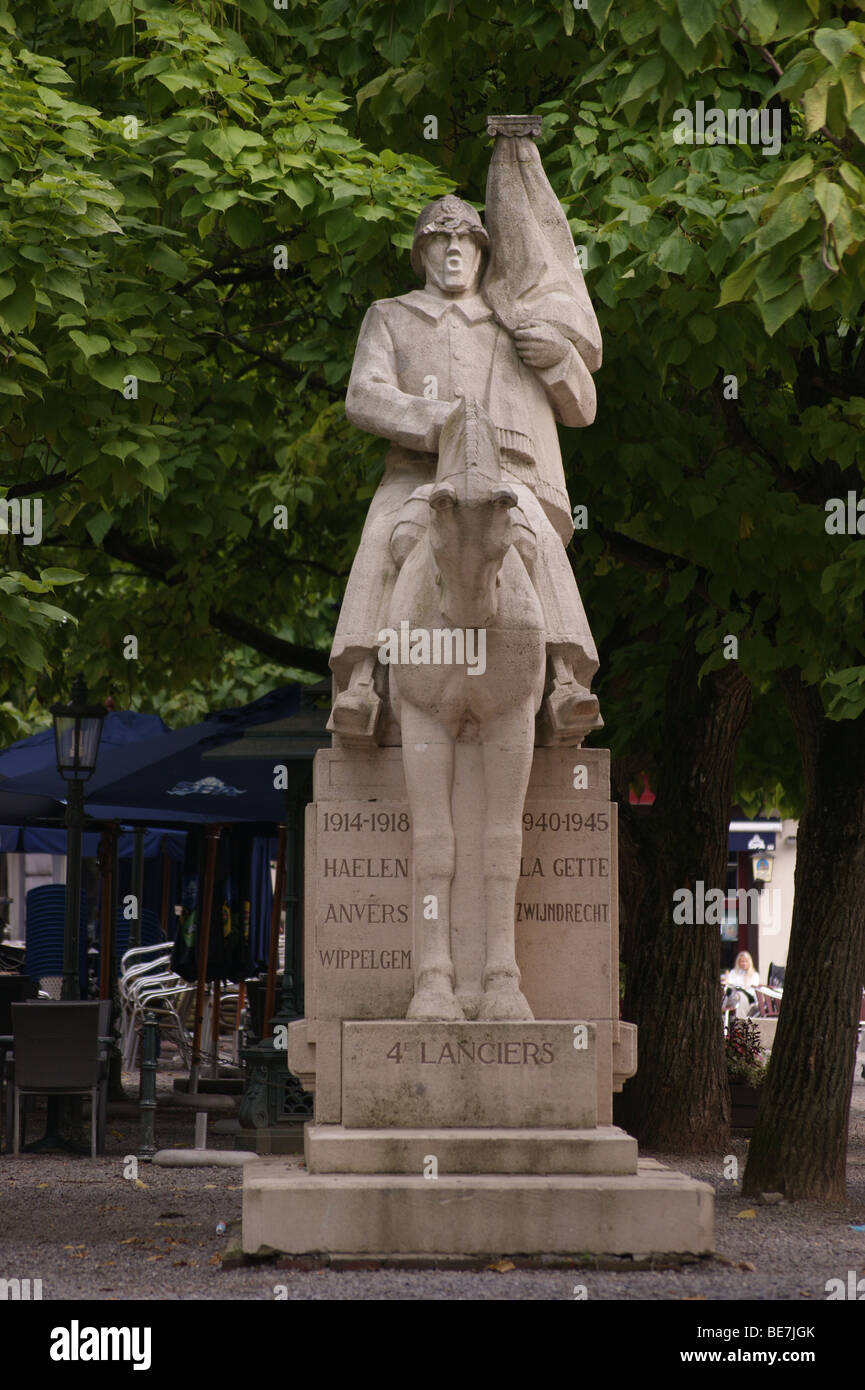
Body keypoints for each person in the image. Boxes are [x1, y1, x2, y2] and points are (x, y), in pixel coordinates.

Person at [725, 950, 760, 1020]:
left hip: (748, 998)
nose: (744, 964)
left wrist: (743, 989)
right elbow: (729, 985)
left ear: (749, 962)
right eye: (742, 961)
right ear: (738, 963)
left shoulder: (754, 975)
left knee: (741, 996)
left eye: (746, 961)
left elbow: (753, 990)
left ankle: (740, 1020)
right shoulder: (733, 973)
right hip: (733, 996)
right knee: (737, 995)